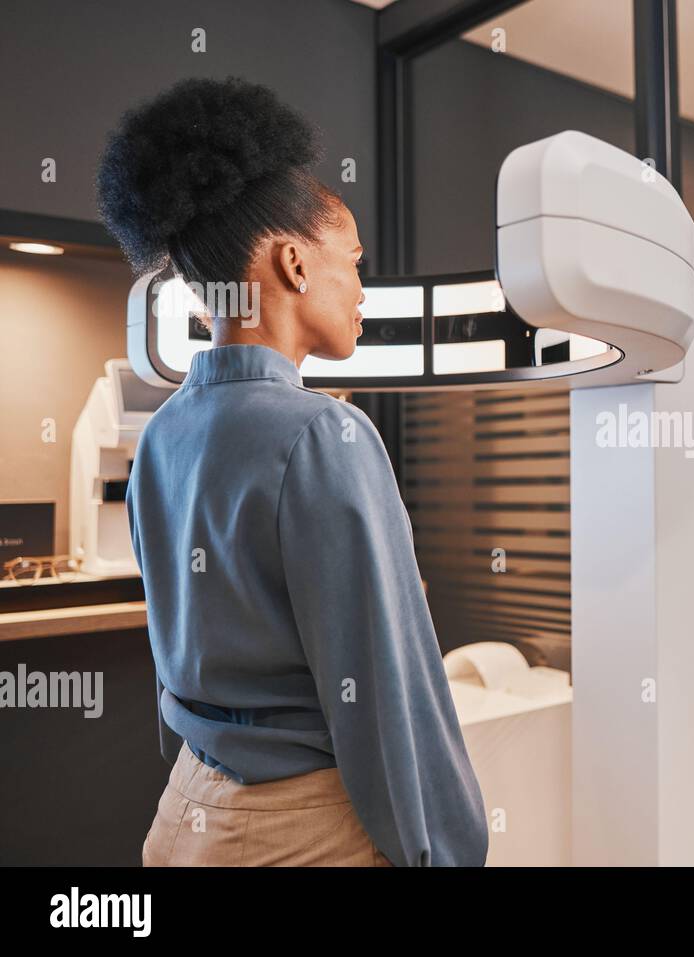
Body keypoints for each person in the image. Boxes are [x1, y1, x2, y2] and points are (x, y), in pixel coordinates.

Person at [98, 76, 488, 866]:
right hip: (300, 827)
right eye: (355, 262)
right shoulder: (325, 436)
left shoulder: (164, 433)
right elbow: (386, 690)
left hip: (186, 811)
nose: (364, 295)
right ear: (295, 263)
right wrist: (448, 848)